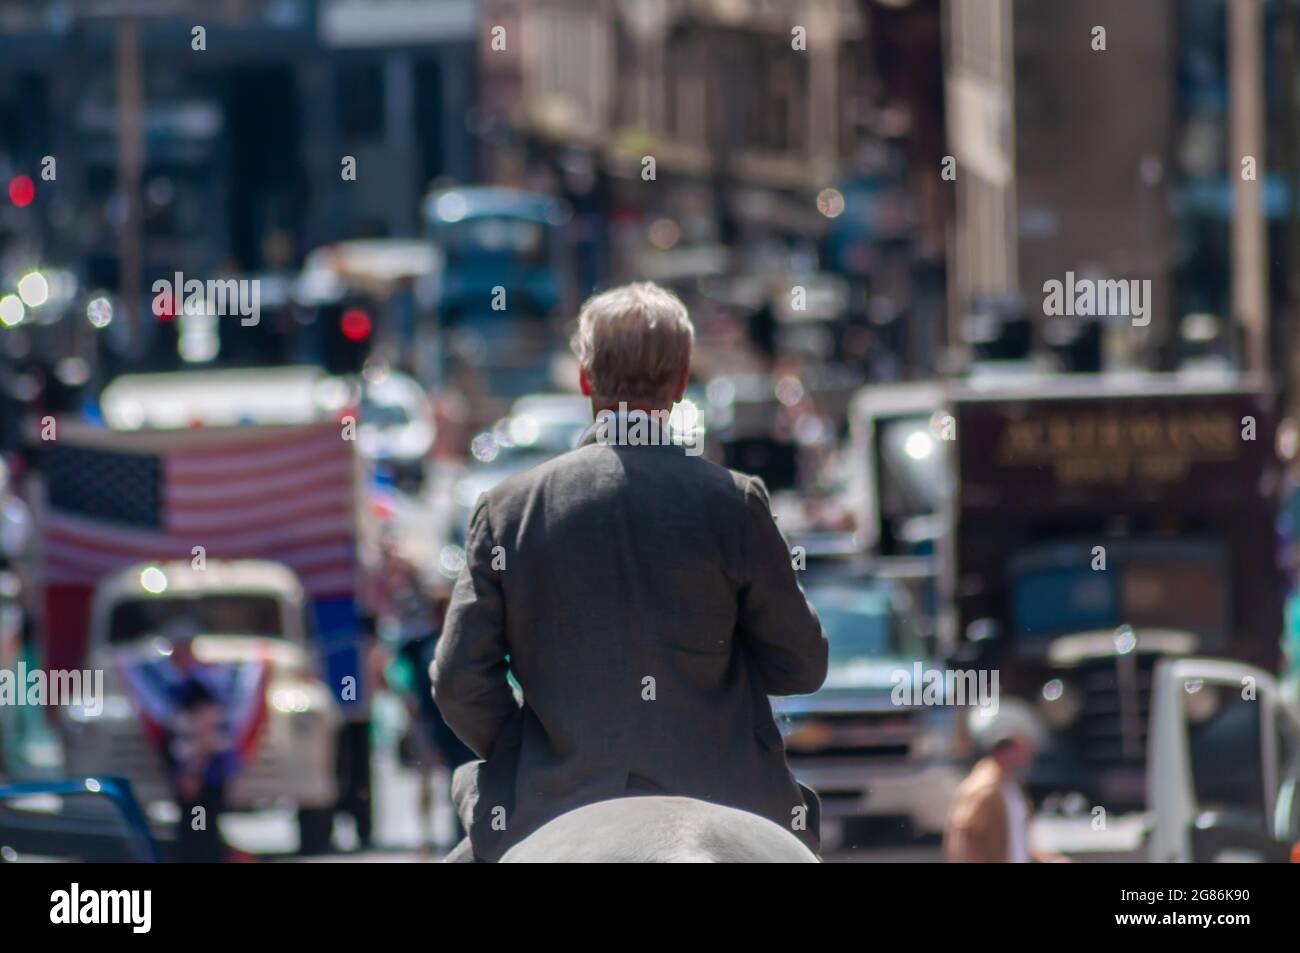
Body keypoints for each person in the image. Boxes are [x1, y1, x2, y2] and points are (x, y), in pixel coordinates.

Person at [433, 281, 828, 862]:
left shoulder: (509, 508)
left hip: (553, 800)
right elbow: (801, 663)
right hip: (732, 798)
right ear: (682, 380)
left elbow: (458, 681)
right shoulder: (734, 502)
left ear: (585, 378)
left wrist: (531, 748)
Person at [944, 701, 1070, 863]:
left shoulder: (1011, 787)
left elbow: (1014, 844)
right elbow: (962, 840)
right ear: (1009, 747)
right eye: (1024, 745)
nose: (1029, 753)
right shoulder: (984, 790)